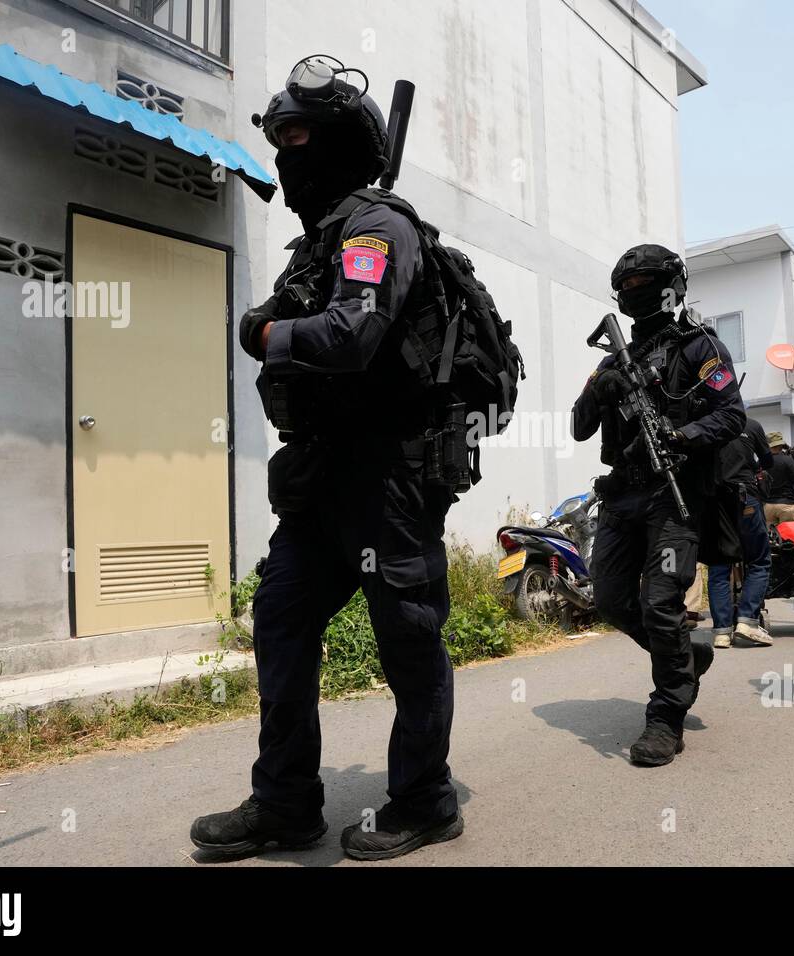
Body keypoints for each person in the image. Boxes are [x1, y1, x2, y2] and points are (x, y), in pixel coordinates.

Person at [191, 57, 463, 861]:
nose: (284, 155)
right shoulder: (317, 248)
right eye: (277, 141)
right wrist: (269, 322)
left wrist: (268, 333)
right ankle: (284, 804)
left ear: (341, 143)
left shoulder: (380, 227)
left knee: (407, 635)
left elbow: (351, 335)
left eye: (298, 138)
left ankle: (425, 798)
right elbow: (281, 318)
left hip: (389, 477)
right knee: (280, 618)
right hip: (321, 476)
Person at [572, 243, 746, 766]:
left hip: (676, 496)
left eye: (643, 284)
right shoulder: (610, 359)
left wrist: (682, 434)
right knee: (608, 599)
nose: (634, 293)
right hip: (624, 495)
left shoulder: (700, 348)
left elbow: (731, 415)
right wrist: (601, 388)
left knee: (661, 603)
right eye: (625, 287)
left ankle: (666, 715)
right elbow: (579, 428)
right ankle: (685, 659)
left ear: (671, 284)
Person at [708, 419, 774, 648]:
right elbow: (767, 460)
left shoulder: (705, 424)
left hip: (716, 502)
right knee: (759, 561)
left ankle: (722, 632)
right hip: (745, 498)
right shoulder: (752, 425)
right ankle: (747, 621)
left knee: (718, 566)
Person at [764, 431, 794, 525]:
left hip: (768, 506)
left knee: (772, 538)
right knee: (792, 537)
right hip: (787, 504)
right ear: (781, 445)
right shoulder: (787, 460)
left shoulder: (762, 461)